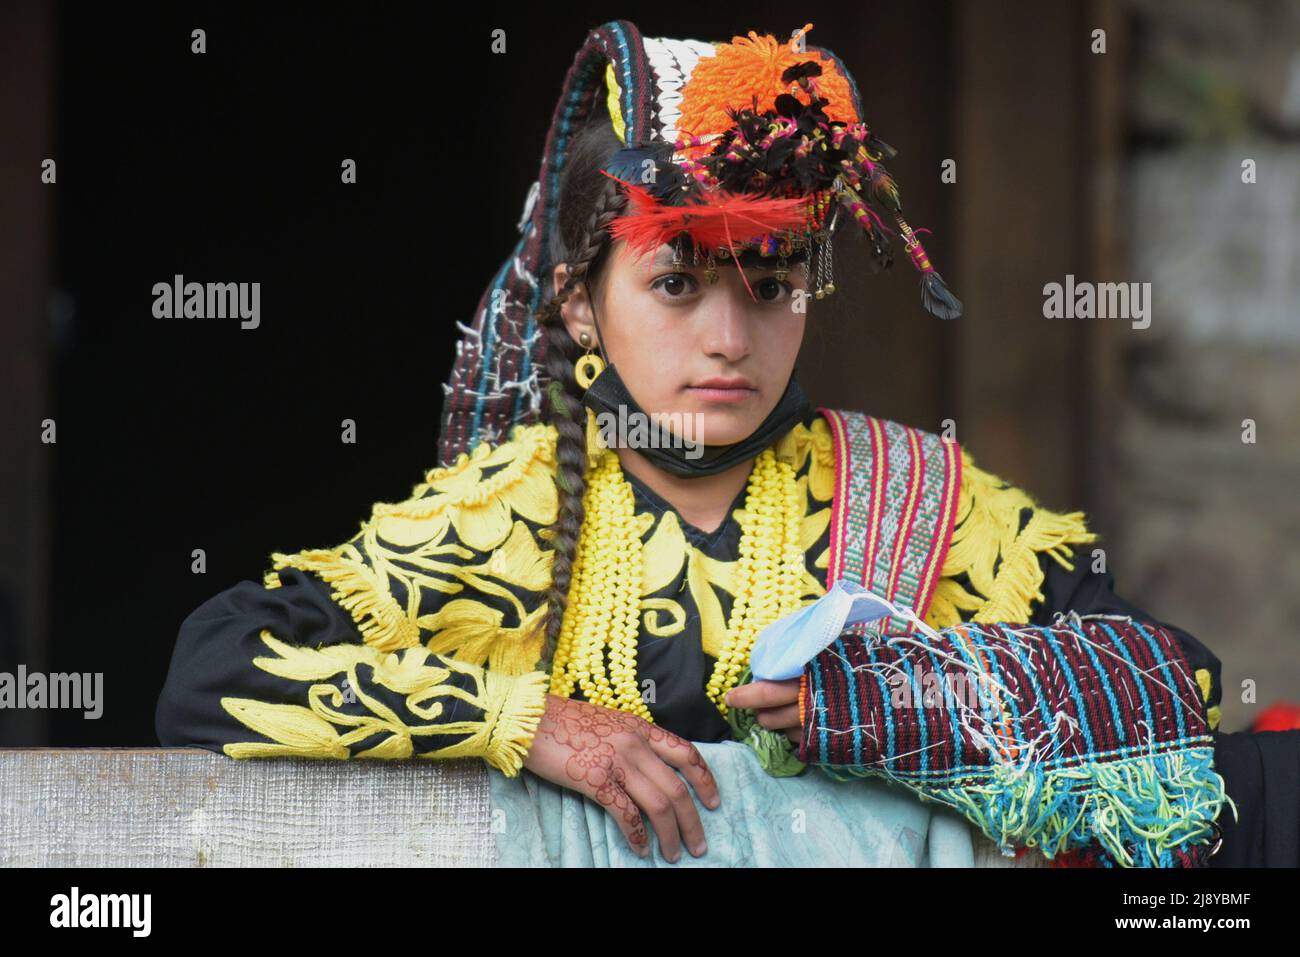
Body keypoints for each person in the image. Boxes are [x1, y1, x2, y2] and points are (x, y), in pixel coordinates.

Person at [155, 20, 1297, 867]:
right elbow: (212, 675)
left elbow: (1174, 683)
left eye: (771, 282)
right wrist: (529, 724)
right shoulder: (505, 519)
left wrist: (920, 704)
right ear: (575, 305)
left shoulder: (917, 497)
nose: (727, 335)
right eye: (674, 282)